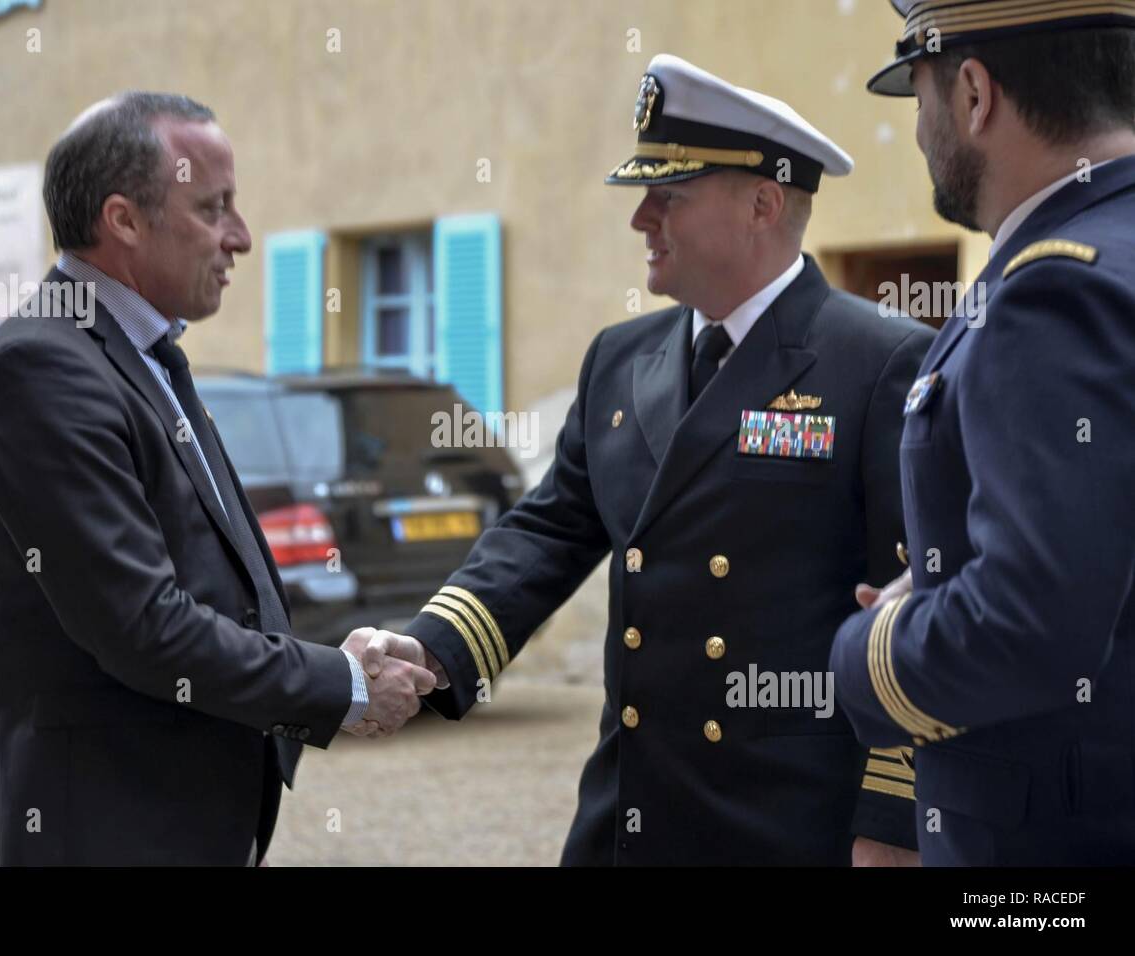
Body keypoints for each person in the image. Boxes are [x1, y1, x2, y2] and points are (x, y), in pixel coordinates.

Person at [354, 55, 935, 865]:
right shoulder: (620, 360)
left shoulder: (882, 361)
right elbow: (549, 534)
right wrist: (431, 646)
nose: (641, 221)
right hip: (631, 814)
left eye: (669, 197)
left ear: (762, 203)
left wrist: (892, 826)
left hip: (792, 824)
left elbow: (917, 611)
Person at [0, 92, 434, 866]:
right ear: (125, 221)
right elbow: (142, 626)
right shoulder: (40, 368)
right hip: (100, 831)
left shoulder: (138, 354)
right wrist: (337, 683)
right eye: (214, 209)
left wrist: (334, 662)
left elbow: (213, 588)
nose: (240, 237)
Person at [830, 0, 1135, 865]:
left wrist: (869, 650)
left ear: (972, 93)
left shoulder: (1048, 291)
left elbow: (1032, 621)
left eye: (917, 95)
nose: (923, 131)